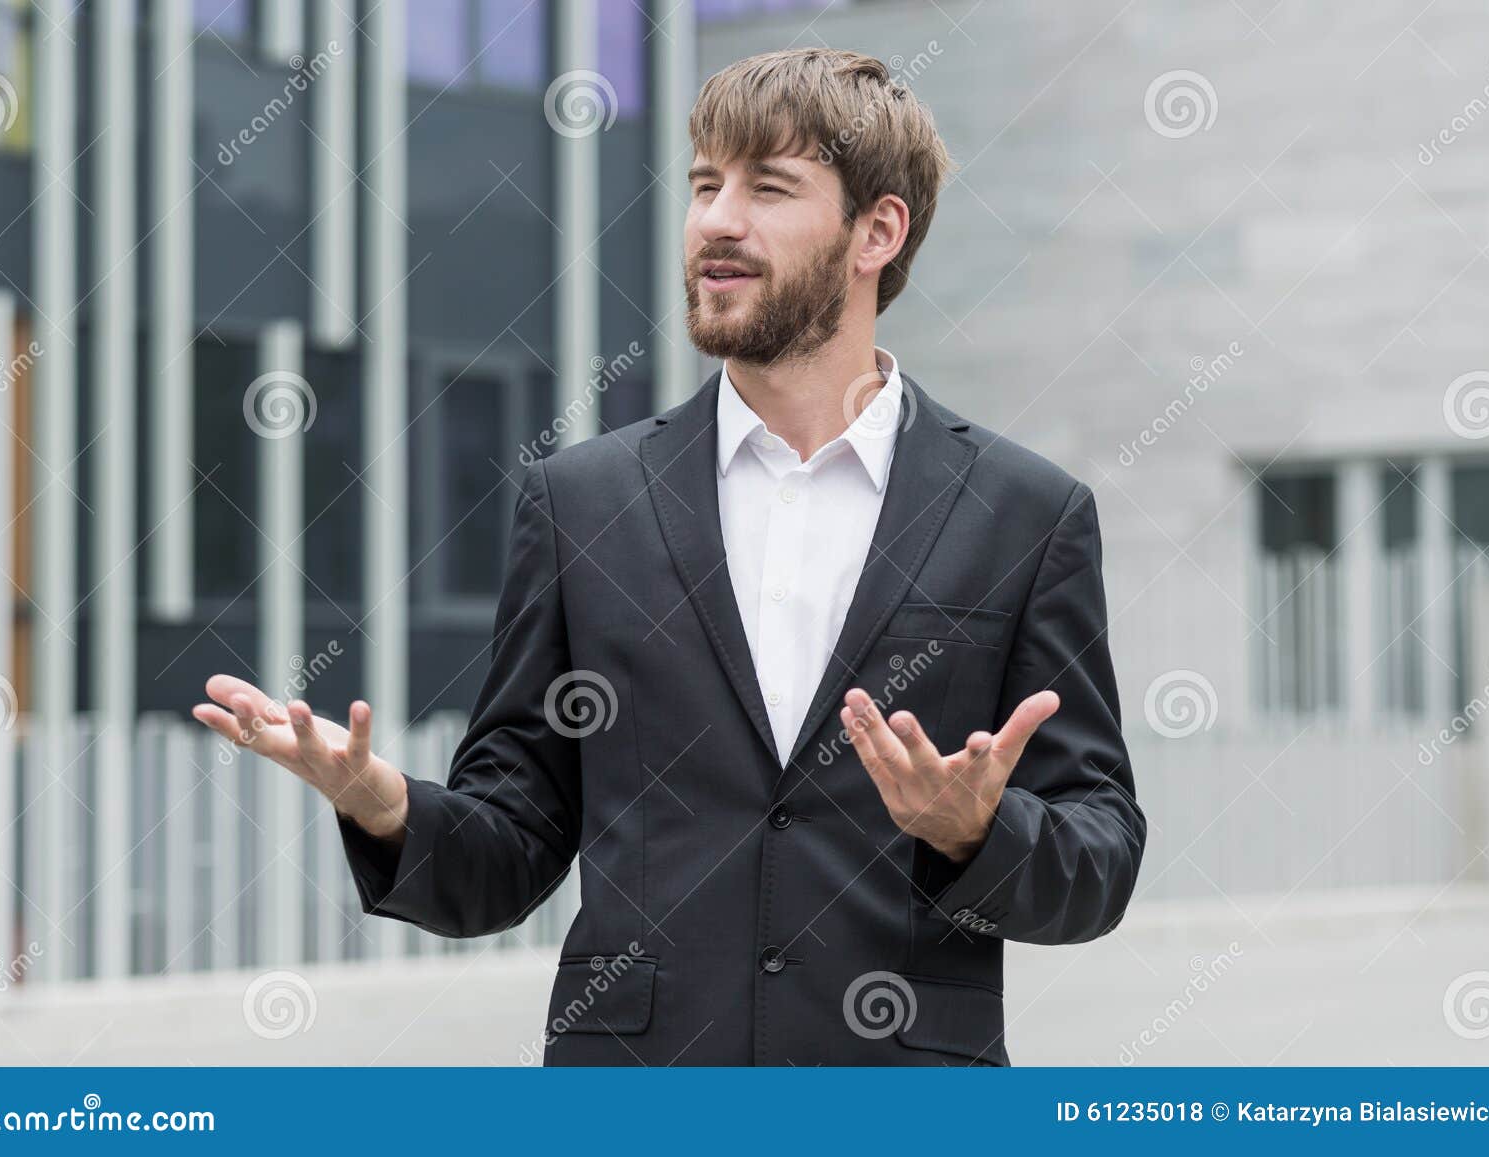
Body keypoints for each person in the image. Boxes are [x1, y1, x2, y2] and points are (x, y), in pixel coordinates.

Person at [194, 47, 1146, 1066]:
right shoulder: (581, 503)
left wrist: (976, 829)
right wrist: (384, 805)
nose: (715, 221)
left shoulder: (1023, 514)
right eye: (703, 185)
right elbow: (509, 849)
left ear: (877, 231)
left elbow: (1100, 855)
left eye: (766, 187)